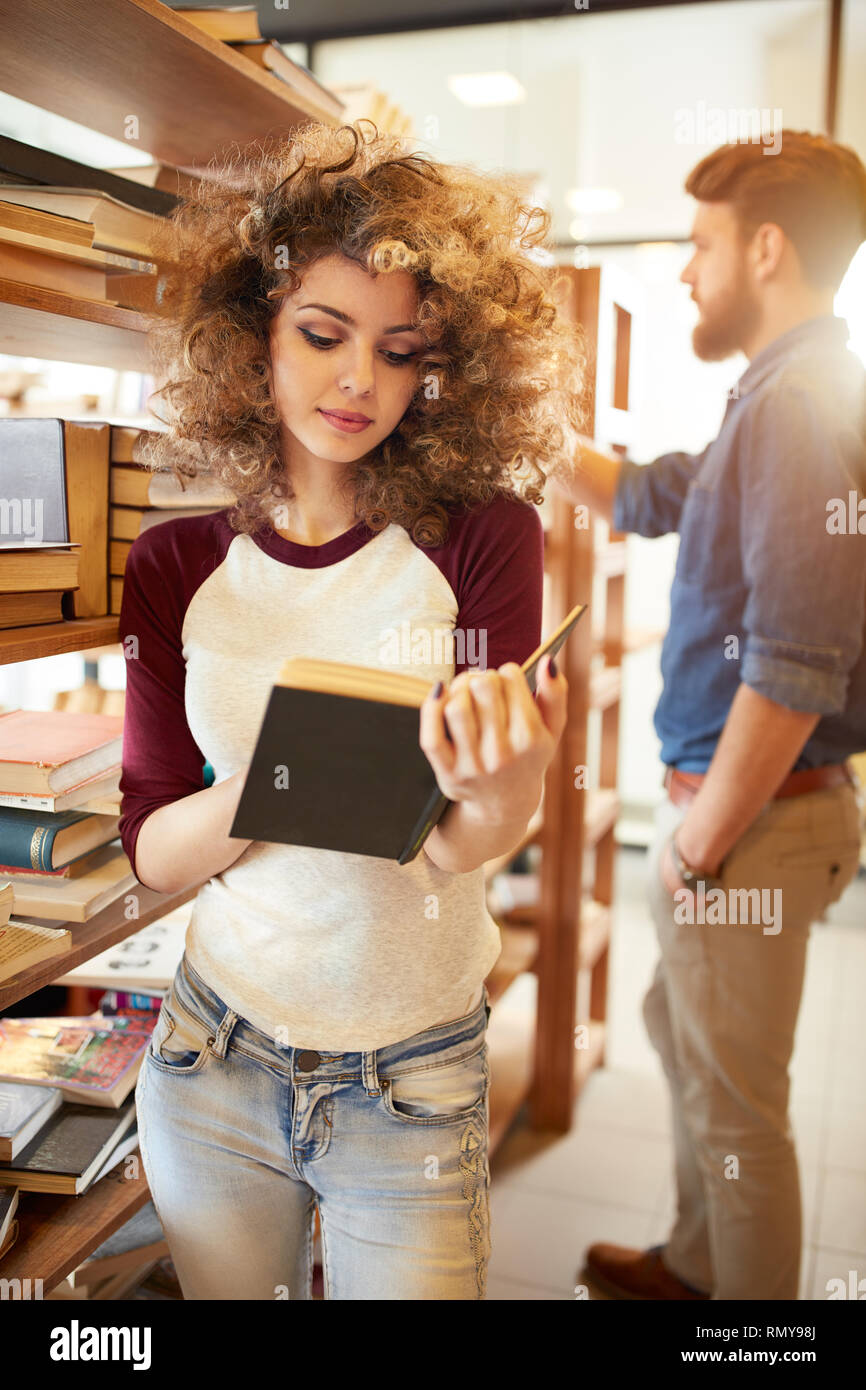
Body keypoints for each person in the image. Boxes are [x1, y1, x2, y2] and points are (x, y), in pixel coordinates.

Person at [117, 120, 579, 1300]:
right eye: (321, 334)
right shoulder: (175, 565)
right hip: (212, 1057)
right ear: (253, 337)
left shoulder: (483, 537)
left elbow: (459, 841)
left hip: (411, 1079)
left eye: (399, 349)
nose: (358, 381)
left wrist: (509, 783)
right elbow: (155, 846)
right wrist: (290, 775)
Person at [552, 130, 866, 1300]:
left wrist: (696, 839)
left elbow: (792, 663)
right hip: (744, 814)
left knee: (738, 1116)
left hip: (748, 819)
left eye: (699, 246)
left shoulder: (797, 409)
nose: (684, 272)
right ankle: (692, 1271)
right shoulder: (778, 395)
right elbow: (649, 494)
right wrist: (534, 432)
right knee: (687, 1049)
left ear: (766, 247)